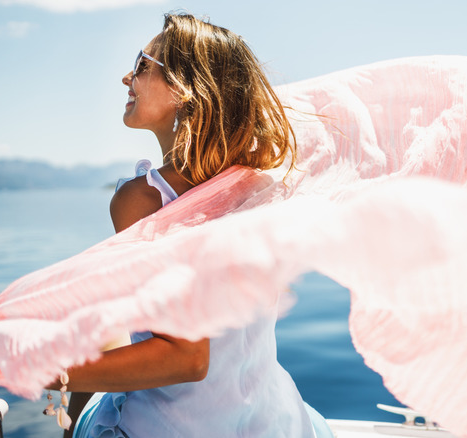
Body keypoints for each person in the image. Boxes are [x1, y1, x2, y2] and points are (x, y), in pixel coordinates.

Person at [48, 12, 331, 438]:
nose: (127, 77)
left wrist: (54, 374)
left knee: (96, 336)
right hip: (273, 422)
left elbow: (187, 359)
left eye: (143, 65)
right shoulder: (259, 188)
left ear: (184, 89)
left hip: (171, 429)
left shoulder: (144, 200)